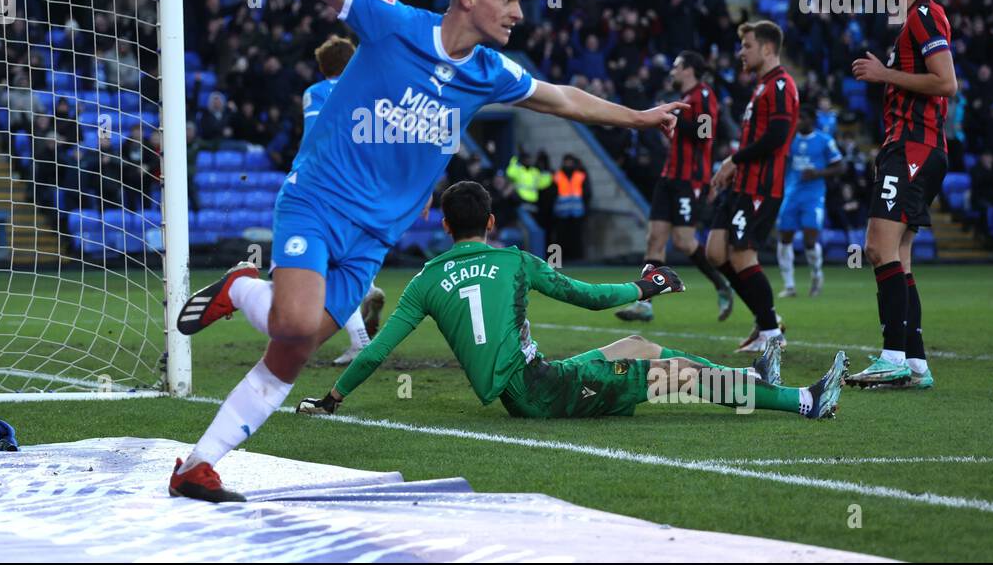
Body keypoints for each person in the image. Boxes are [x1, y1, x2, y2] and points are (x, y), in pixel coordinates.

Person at [168, 0, 686, 502]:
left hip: (375, 235)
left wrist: (638, 116)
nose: (520, 11)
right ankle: (239, 286)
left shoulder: (491, 73)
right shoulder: (392, 23)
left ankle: (198, 464)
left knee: (297, 346)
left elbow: (564, 99)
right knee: (296, 319)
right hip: (319, 200)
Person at [296, 181, 847, 422]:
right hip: (543, 393)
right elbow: (587, 297)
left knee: (639, 344)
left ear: (443, 226)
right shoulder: (516, 260)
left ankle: (761, 383)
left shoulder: (424, 280)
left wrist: (331, 397)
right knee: (676, 373)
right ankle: (801, 400)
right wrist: (644, 287)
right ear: (491, 223)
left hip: (536, 384)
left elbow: (376, 350)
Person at [847, 0, 955, 390]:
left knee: (877, 247)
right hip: (915, 146)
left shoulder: (924, 15)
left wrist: (883, 74)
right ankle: (914, 363)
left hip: (914, 146)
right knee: (900, 255)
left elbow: (946, 81)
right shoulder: (917, 18)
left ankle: (891, 355)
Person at [617, 50, 734, 324]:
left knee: (683, 241)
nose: (672, 71)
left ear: (690, 69)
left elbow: (705, 134)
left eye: (677, 66)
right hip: (670, 176)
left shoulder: (703, 95)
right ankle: (644, 304)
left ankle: (722, 285)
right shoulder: (684, 100)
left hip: (689, 179)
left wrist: (674, 119)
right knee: (654, 239)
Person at [705, 20, 799, 353]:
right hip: (742, 184)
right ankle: (766, 318)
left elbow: (775, 138)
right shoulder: (761, 86)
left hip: (762, 187)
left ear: (767, 48)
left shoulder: (781, 86)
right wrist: (734, 167)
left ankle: (770, 332)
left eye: (747, 46)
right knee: (715, 252)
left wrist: (734, 160)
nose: (740, 52)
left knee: (744, 256)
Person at [300, 35, 385, 366]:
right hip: (367, 188)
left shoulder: (316, 92)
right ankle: (368, 290)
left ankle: (359, 337)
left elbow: (315, 137)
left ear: (323, 68)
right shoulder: (372, 95)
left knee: (330, 269)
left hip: (328, 185)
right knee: (349, 258)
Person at [776, 105, 845, 298]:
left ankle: (816, 275)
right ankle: (789, 286)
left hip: (814, 196)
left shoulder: (824, 141)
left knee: (809, 241)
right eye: (796, 119)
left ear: (810, 120)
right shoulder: (789, 140)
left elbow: (840, 167)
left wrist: (818, 173)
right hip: (791, 194)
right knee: (784, 238)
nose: (797, 122)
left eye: (801, 119)